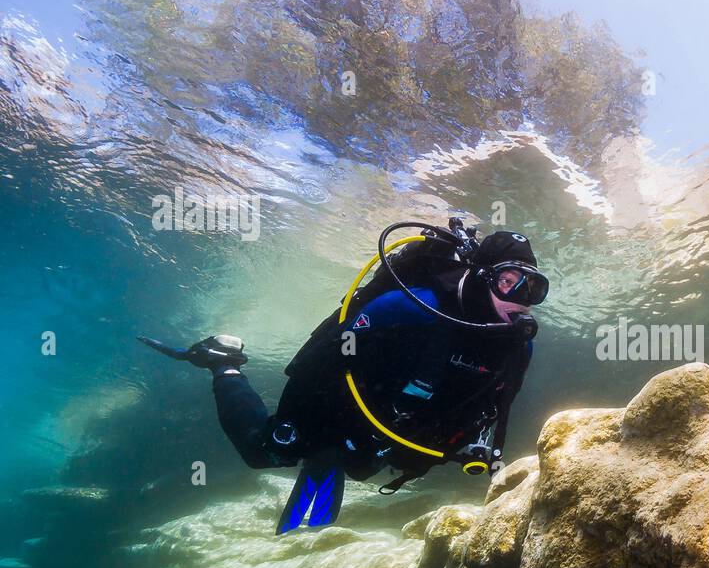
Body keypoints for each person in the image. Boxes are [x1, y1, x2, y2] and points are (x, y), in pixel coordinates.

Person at [145, 224, 547, 533]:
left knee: (357, 469)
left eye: (532, 288)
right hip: (336, 404)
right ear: (480, 276)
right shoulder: (413, 307)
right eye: (508, 280)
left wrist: (439, 447)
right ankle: (224, 362)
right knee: (262, 452)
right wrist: (309, 429)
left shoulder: (517, 346)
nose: (518, 298)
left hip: (388, 427)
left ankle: (338, 459)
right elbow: (328, 356)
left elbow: (489, 409)